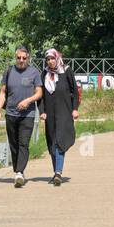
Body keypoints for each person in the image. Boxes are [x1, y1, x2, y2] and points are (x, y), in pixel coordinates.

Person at [0, 45, 42, 188]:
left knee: (23, 143)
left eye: (24, 58)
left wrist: (28, 100)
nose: (21, 60)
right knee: (13, 144)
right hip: (10, 113)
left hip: (27, 115)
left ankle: (20, 172)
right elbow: (3, 92)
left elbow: (39, 93)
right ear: (15, 58)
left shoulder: (34, 72)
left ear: (28, 58)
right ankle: (17, 170)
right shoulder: (9, 71)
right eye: (18, 58)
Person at [38, 48, 80, 186]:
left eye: (52, 58)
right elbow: (41, 94)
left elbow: (75, 91)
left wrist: (75, 109)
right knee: (51, 143)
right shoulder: (44, 73)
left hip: (64, 111)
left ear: (57, 58)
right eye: (48, 59)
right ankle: (56, 171)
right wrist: (42, 111)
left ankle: (58, 172)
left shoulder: (66, 71)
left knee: (59, 142)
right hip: (49, 113)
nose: (50, 61)